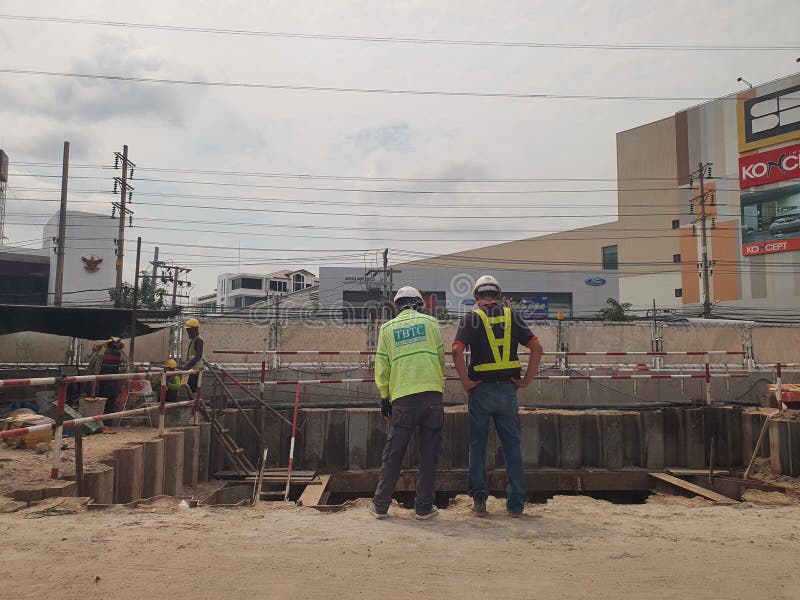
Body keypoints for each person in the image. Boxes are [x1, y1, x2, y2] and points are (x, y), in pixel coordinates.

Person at [452, 275, 543, 518]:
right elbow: (537, 348)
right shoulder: (513, 316)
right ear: (499, 296)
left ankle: (480, 502)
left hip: (480, 391)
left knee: (478, 446)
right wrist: (526, 381)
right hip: (507, 391)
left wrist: (466, 382)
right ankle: (515, 505)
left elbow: (456, 350)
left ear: (476, 296)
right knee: (512, 446)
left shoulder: (471, 318)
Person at [371, 286, 446, 520]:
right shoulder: (431, 323)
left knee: (394, 452)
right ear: (419, 304)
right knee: (429, 454)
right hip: (432, 396)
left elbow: (382, 367)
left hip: (403, 398)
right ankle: (423, 507)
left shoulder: (387, 329)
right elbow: (440, 359)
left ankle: (380, 506)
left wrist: (385, 398)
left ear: (396, 306)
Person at [97, 337, 126, 432]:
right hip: (112, 382)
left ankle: (102, 422)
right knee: (110, 402)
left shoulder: (107, 351)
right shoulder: (117, 353)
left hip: (103, 381)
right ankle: (107, 423)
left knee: (103, 400)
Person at [180, 318, 204, 395]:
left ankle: (195, 402)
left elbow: (198, 356)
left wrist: (188, 365)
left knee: (193, 391)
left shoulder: (198, 340)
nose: (188, 332)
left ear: (194, 330)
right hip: (191, 369)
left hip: (195, 370)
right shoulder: (194, 340)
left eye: (189, 330)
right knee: (189, 389)